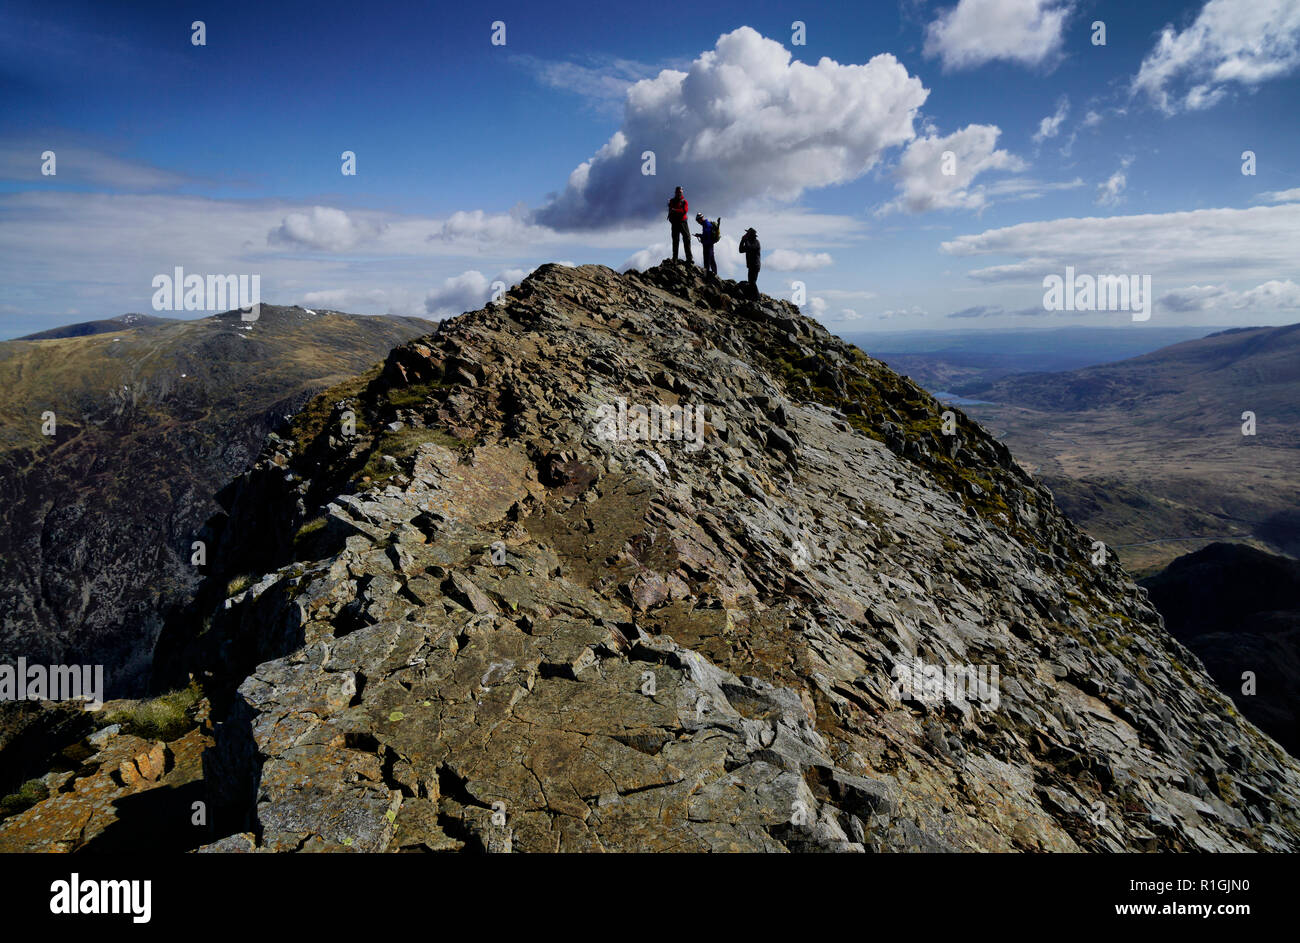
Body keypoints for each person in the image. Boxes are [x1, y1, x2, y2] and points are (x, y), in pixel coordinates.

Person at [667, 186, 693, 264]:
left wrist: (674, 210)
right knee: (675, 240)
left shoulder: (684, 201)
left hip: (683, 222)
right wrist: (674, 214)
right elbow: (672, 211)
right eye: (678, 192)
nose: (679, 193)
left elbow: (684, 211)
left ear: (682, 192)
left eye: (680, 192)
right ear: (675, 192)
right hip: (675, 223)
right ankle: (675, 259)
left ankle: (689, 258)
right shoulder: (672, 201)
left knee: (687, 239)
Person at [739, 227, 761, 297]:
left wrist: (745, 240)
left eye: (748, 233)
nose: (746, 234)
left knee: (752, 282)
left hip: (755, 265)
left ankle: (757, 297)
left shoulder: (756, 242)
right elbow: (741, 250)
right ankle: (752, 296)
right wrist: (742, 241)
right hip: (751, 265)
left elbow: (749, 248)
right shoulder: (749, 242)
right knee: (751, 282)